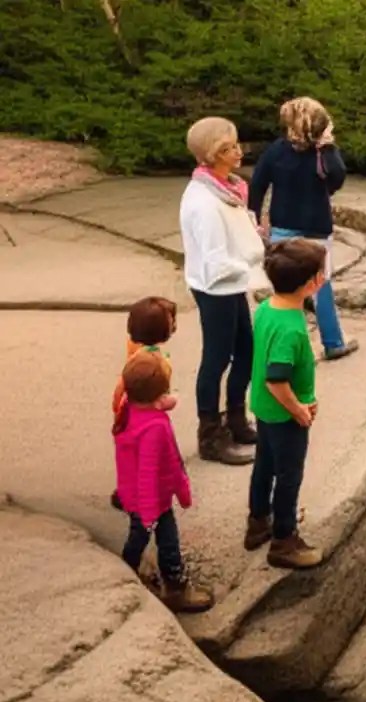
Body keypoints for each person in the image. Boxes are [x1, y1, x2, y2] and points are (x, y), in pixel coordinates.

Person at [249, 96, 359, 362]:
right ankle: (333, 343)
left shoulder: (277, 150)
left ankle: (277, 344)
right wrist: (329, 147)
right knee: (321, 285)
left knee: (283, 287)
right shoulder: (322, 154)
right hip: (316, 231)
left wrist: (252, 213)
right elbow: (337, 178)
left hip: (283, 229)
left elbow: (258, 183)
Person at [181, 117, 263, 466]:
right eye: (229, 148)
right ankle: (210, 436)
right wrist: (257, 264)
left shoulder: (225, 188)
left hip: (233, 283)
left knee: (246, 350)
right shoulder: (205, 203)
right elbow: (216, 261)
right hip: (216, 286)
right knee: (216, 359)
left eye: (236, 144)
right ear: (212, 154)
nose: (238, 152)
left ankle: (235, 418)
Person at [245, 239, 327, 570]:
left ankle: (258, 521)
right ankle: (284, 539)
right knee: (288, 475)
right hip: (283, 415)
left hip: (264, 409)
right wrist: (299, 410)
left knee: (264, 464)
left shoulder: (267, 308)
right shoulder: (292, 329)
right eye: (321, 272)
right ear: (311, 283)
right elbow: (276, 378)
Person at [115, 351, 214, 613]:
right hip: (150, 500)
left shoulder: (129, 409)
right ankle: (172, 586)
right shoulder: (154, 427)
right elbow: (150, 472)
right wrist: (151, 511)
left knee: (146, 535)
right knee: (157, 538)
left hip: (135, 495)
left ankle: (132, 570)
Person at [110, 296, 180, 511]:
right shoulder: (157, 361)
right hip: (148, 413)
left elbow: (120, 386)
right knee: (149, 459)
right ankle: (143, 498)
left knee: (128, 457)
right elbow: (159, 396)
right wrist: (171, 401)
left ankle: (125, 491)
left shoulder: (134, 347)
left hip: (128, 412)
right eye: (172, 322)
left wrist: (118, 408)